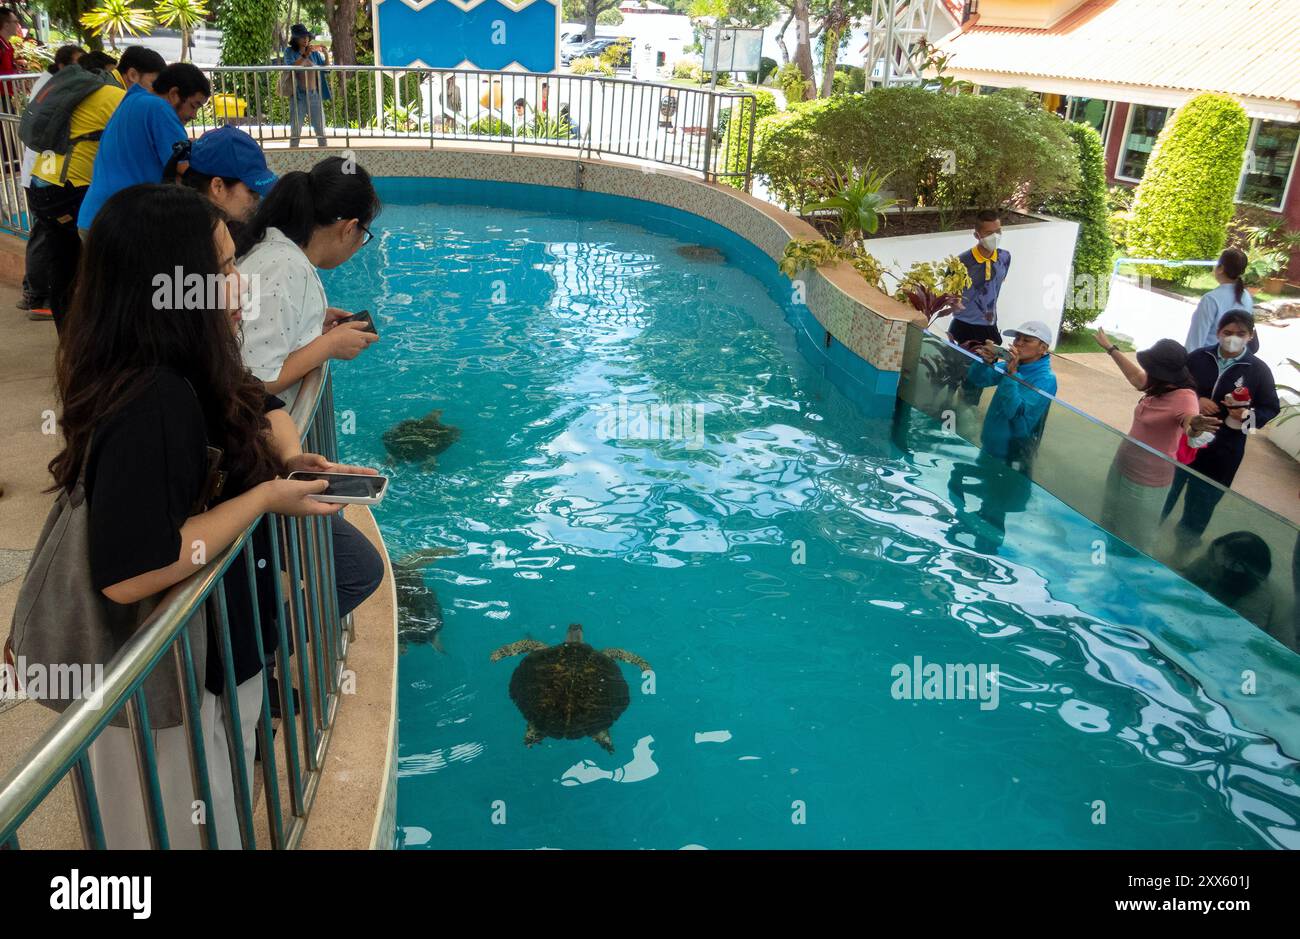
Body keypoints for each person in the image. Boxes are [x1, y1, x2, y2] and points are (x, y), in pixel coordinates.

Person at [44, 183, 344, 848]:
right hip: (177, 680)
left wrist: (288, 455)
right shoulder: (151, 401)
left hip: (219, 652)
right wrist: (265, 498)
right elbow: (132, 570)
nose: (241, 286)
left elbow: (248, 397)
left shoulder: (188, 360)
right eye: (224, 270)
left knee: (220, 803)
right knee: (177, 823)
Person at [26, 55, 133, 331]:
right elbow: (138, 127)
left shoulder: (68, 96)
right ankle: (92, 338)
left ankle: (69, 338)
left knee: (62, 262)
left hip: (42, 183)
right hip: (71, 186)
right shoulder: (111, 94)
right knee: (94, 265)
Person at [1094, 330, 1220, 555]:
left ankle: (1131, 580)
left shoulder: (1185, 397)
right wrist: (1110, 348)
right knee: (1110, 522)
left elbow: (1190, 423)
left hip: (1147, 481)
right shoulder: (1158, 386)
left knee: (1135, 538)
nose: (1147, 370)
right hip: (1122, 467)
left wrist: (1195, 426)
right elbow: (1135, 378)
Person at [1162, 310, 1280, 548]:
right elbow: (1174, 385)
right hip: (1184, 441)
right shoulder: (1197, 358)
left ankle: (1181, 550)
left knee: (1201, 505)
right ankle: (1144, 535)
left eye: (1241, 333)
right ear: (1218, 332)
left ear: (1250, 336)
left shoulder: (1257, 370)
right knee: (1164, 491)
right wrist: (1197, 399)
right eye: (1227, 333)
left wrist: (1247, 416)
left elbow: (1270, 407)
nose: (1233, 338)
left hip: (1223, 451)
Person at [947, 320, 1057, 551]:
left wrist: (1011, 374)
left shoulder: (1045, 379)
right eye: (1017, 338)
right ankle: (976, 549)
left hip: (1011, 456)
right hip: (991, 448)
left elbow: (1016, 415)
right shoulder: (1017, 366)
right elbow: (979, 379)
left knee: (995, 510)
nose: (1018, 343)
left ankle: (986, 553)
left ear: (1043, 348)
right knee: (987, 504)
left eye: (1027, 340)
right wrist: (986, 363)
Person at [76, 61, 209, 232]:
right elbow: (185, 168)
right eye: (194, 105)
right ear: (174, 93)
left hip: (95, 217)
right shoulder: (159, 109)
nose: (193, 115)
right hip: (122, 224)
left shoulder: (133, 99)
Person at [18, 43, 82, 320]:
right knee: (45, 236)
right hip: (45, 174)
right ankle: (37, 295)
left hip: (44, 173)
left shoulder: (51, 84)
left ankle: (34, 291)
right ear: (62, 65)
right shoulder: (56, 87)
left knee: (43, 234)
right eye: (78, 65)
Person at [1181, 532, 1293, 650]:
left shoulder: (1258, 597)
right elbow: (1181, 587)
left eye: (1225, 560)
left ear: (1240, 568)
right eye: (1214, 556)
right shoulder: (1210, 563)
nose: (1215, 564)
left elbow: (1238, 637)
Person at [177, 124, 278, 234]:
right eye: (252, 191)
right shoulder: (188, 238)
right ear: (218, 186)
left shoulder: (218, 228)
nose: (258, 199)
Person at [950, 210, 1012, 347]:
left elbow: (996, 286)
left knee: (989, 367)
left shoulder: (1005, 257)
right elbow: (950, 296)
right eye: (989, 233)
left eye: (998, 231)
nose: (995, 236)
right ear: (977, 235)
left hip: (990, 326)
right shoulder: (961, 262)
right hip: (964, 326)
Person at [1185, 247, 1254, 353]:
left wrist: (1190, 363)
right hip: (1233, 359)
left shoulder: (1211, 299)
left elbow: (1195, 340)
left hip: (1209, 360)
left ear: (1221, 268)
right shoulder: (1247, 297)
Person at [285, 23, 330, 148]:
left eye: (307, 37)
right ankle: (293, 156)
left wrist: (325, 54)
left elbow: (326, 69)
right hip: (298, 96)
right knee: (296, 131)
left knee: (320, 130)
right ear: (295, 39)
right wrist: (305, 55)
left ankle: (324, 155)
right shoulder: (290, 52)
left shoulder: (314, 53)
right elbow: (290, 68)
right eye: (301, 37)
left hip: (314, 95)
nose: (305, 39)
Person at [98, 44, 166, 92]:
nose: (157, 92)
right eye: (153, 83)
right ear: (132, 75)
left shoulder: (104, 80)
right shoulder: (115, 95)